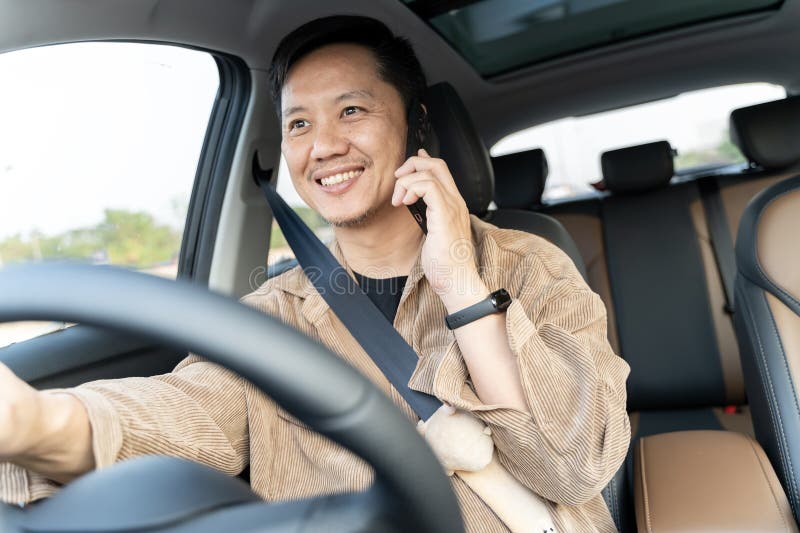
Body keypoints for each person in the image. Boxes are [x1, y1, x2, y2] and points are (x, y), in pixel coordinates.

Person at [0, 16, 630, 532]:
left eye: (352, 110)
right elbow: (180, 412)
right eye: (299, 123)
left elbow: (568, 466)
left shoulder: (531, 267)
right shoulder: (269, 317)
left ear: (414, 127)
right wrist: (32, 422)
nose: (323, 145)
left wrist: (463, 286)